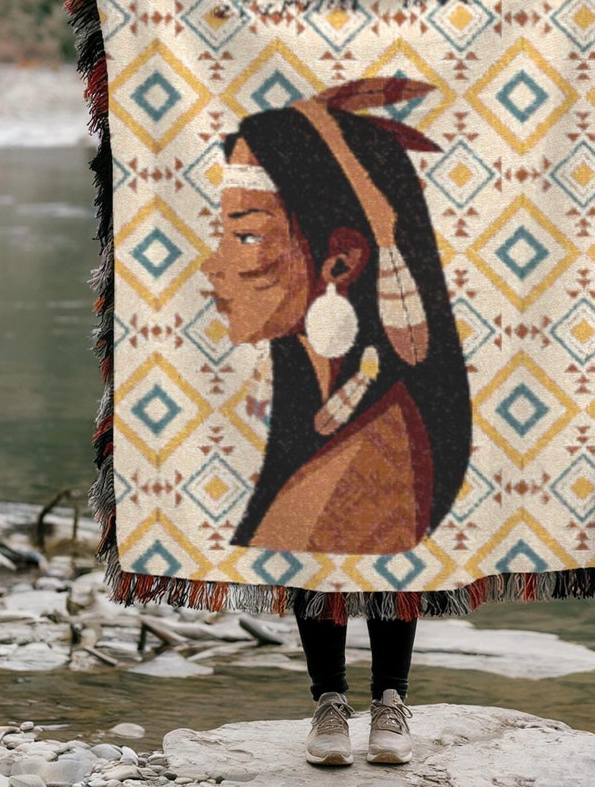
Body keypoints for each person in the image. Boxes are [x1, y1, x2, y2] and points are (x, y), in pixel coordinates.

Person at [200, 78, 472, 764]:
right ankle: (331, 700)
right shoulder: (310, 401)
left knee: (364, 539)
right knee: (312, 547)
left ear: (340, 256)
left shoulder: (384, 431)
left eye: (248, 233)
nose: (213, 264)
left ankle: (388, 700)